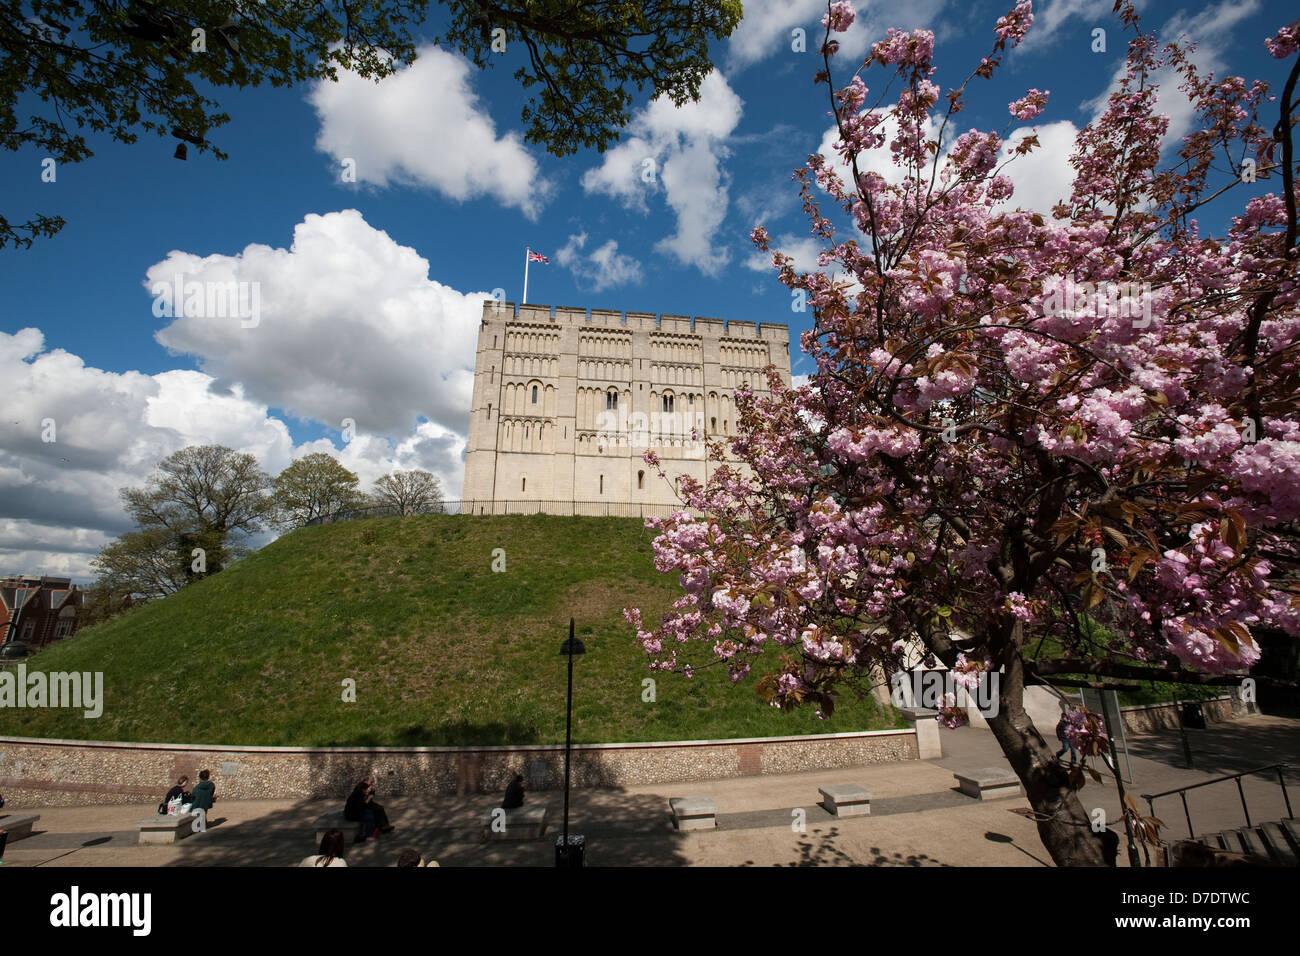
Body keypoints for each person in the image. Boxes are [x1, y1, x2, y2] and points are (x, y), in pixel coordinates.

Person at [344, 773, 393, 843]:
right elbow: (361, 806)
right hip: (352, 814)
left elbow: (366, 800)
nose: (368, 791)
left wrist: (371, 793)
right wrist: (368, 798)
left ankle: (382, 826)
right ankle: (368, 836)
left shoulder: (363, 789)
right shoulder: (358, 792)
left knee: (377, 810)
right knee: (370, 817)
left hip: (358, 810)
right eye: (371, 781)